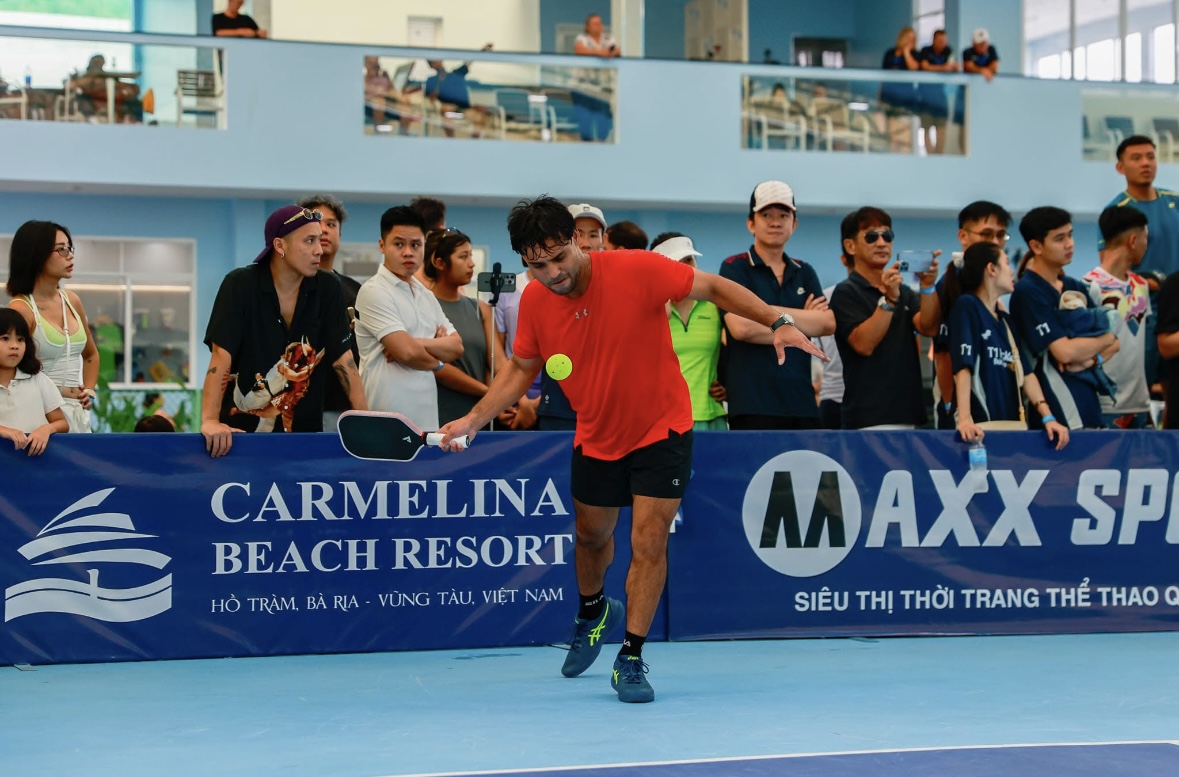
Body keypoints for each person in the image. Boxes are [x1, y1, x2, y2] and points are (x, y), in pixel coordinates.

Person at [436, 196, 825, 704]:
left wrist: (778, 322)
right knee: (591, 538)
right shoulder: (534, 300)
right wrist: (473, 419)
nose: (552, 273)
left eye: (559, 257)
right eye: (538, 265)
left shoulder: (638, 269)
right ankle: (594, 610)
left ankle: (632, 656)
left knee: (648, 540)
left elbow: (713, 286)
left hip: (663, 428)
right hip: (597, 433)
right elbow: (519, 368)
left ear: (577, 240)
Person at [200, 205, 367, 457]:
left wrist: (365, 420)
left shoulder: (328, 288)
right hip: (239, 436)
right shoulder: (240, 285)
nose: (319, 250)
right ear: (280, 246)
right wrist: (210, 420)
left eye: (319, 241)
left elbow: (344, 361)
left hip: (304, 435)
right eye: (309, 241)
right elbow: (220, 357)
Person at [719, 181, 834, 429]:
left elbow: (826, 324)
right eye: (766, 215)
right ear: (751, 223)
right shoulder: (734, 267)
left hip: (801, 403)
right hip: (752, 404)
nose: (775, 222)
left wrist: (762, 312)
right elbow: (741, 328)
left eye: (784, 215)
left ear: (794, 223)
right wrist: (803, 321)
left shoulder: (805, 272)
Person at [947, 242, 1068, 450]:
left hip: (1011, 429)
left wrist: (1049, 417)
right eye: (1006, 263)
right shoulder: (967, 306)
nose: (1012, 271)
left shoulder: (1006, 321)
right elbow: (963, 366)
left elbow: (1027, 374)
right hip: (978, 431)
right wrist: (965, 419)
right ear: (991, 269)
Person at [353, 206, 463, 431]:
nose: (408, 252)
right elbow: (407, 353)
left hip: (426, 420)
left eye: (415, 245)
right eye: (398, 244)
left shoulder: (425, 295)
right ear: (382, 245)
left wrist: (416, 343)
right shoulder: (374, 291)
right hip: (385, 420)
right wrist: (437, 360)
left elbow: (456, 347)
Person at [1010, 206, 1118, 431]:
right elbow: (1064, 352)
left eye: (1070, 235)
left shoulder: (1075, 287)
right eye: (1059, 238)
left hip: (1088, 397)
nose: (1069, 244)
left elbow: (1115, 341)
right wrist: (1102, 341)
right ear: (1036, 246)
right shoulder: (1028, 292)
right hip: (1056, 406)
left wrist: (1090, 360)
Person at [831, 207, 940, 429]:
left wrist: (927, 287)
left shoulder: (905, 292)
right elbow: (863, 344)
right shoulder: (846, 292)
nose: (882, 243)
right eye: (871, 236)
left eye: (887, 236)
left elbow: (928, 327)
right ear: (850, 246)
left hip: (908, 413)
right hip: (868, 417)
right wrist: (889, 300)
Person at [7, 220, 100, 433]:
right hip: (39, 417)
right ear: (36, 256)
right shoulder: (22, 309)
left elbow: (90, 355)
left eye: (70, 248)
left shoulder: (72, 300)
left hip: (77, 413)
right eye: (61, 250)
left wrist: (89, 390)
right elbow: (10, 371)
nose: (70, 255)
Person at [931, 200, 1014, 429]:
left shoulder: (996, 298)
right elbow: (944, 354)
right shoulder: (953, 285)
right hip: (964, 413)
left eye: (1001, 235)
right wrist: (952, 408)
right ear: (963, 236)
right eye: (987, 234)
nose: (995, 242)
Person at [534, 203, 608, 432]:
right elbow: (522, 362)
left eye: (593, 234)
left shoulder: (621, 284)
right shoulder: (548, 285)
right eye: (578, 233)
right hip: (559, 409)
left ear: (603, 241)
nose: (585, 242)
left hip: (610, 411)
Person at [425, 228, 509, 428]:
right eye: (463, 257)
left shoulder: (479, 308)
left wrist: (516, 400)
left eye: (470, 255)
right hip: (439, 416)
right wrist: (489, 394)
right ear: (439, 263)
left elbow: (499, 363)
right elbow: (437, 368)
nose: (471, 263)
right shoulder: (425, 306)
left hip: (477, 418)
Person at [1084, 206, 1153, 428]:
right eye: (1145, 239)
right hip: (1104, 404)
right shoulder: (1089, 286)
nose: (1146, 246)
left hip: (1140, 403)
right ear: (1133, 240)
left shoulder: (1141, 285)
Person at [298, 194, 360, 431]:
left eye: (331, 224)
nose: (323, 230)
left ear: (340, 235)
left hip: (344, 406)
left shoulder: (355, 291)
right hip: (298, 405)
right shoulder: (288, 288)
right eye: (316, 223)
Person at [652, 232, 727, 430]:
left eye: (689, 260)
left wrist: (729, 383)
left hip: (712, 416)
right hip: (664, 420)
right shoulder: (651, 311)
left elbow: (735, 352)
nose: (686, 268)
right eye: (677, 261)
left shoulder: (715, 306)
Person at [1103, 136, 1179, 278]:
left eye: (1150, 157)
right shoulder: (1116, 211)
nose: (1146, 163)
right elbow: (1111, 267)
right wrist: (1156, 285)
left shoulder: (1175, 200)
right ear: (1120, 167)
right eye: (1136, 158)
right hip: (1143, 298)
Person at [0, 308, 69, 456]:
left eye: (20, 339)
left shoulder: (38, 379)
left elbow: (62, 423)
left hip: (35, 466)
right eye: (5, 338)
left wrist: (46, 429)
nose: (14, 345)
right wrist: (4, 431)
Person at [69, 54, 143, 123]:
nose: (98, 64)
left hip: (111, 100)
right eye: (96, 62)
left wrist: (126, 89)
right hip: (92, 101)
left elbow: (130, 88)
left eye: (100, 62)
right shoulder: (83, 76)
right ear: (91, 62)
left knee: (135, 102)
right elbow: (73, 85)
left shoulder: (107, 77)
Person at [880, 27, 920, 153]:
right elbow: (883, 76)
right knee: (892, 134)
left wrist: (907, 52)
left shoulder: (915, 54)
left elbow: (914, 68)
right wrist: (880, 96)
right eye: (908, 38)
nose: (911, 41)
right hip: (890, 98)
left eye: (913, 39)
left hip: (905, 100)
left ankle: (904, 157)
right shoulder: (889, 53)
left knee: (905, 135)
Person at [917, 29, 956, 155]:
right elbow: (924, 66)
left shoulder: (948, 51)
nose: (942, 43)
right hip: (926, 95)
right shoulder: (925, 51)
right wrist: (942, 68)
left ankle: (939, 155)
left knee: (941, 127)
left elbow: (952, 67)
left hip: (940, 96)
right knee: (926, 127)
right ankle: (929, 155)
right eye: (939, 41)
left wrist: (941, 69)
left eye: (944, 41)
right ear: (934, 40)